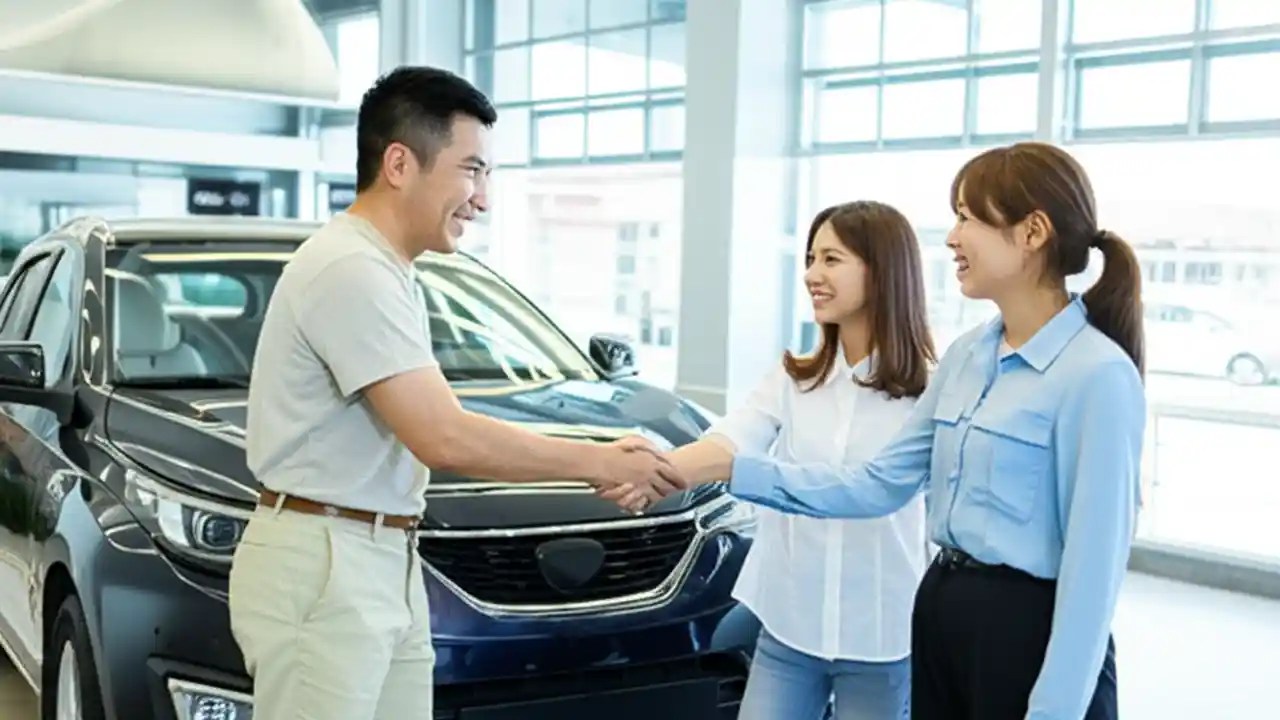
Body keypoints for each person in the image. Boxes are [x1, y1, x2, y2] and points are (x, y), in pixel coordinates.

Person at [621, 141, 1146, 720]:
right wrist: (731, 469)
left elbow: (1092, 578)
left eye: (967, 218)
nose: (951, 237)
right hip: (943, 615)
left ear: (1032, 232)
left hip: (1023, 631)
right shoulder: (971, 355)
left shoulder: (1097, 375)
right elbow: (874, 485)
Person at [229, 66, 682, 720]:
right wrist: (600, 461)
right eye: (471, 170)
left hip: (380, 553)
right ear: (399, 163)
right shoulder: (351, 269)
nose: (483, 199)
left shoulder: (389, 271)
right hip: (327, 563)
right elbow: (442, 435)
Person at [663, 201, 937, 719]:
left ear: (882, 271)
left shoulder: (931, 391)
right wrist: (659, 471)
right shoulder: (795, 377)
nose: (812, 274)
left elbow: (864, 489)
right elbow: (731, 440)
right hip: (789, 626)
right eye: (811, 258)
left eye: (831, 259)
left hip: (881, 637)